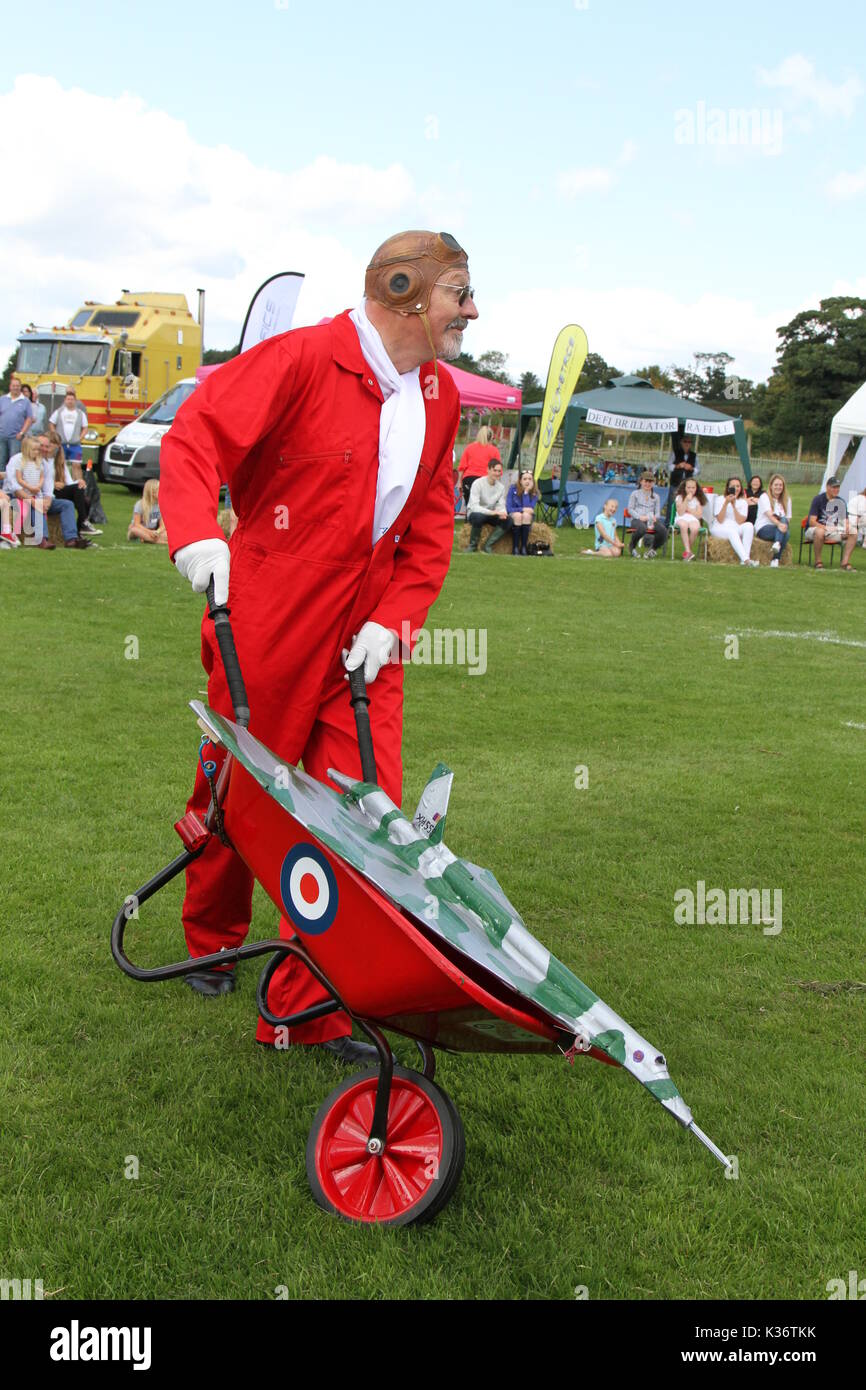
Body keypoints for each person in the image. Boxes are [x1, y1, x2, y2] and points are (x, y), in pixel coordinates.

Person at [159, 228, 476, 1064]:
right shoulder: (301, 360)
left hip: (368, 632)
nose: (471, 310)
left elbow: (432, 531)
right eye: (459, 293)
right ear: (405, 290)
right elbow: (193, 441)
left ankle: (309, 1006)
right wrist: (196, 535)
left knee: (362, 815)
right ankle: (211, 934)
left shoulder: (442, 398)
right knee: (242, 789)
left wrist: (394, 619)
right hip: (270, 612)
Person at [39, 432, 101, 537]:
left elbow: (69, 481)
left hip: (59, 490)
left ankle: (80, 527)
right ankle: (83, 524)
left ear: (57, 446)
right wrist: (54, 484)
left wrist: (79, 482)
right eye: (45, 445)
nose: (47, 447)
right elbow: (42, 480)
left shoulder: (59, 461)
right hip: (48, 492)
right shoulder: (42, 460)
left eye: (50, 444)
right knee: (79, 493)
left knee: (85, 499)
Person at [806, 476, 857, 570]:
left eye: (838, 487)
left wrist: (846, 528)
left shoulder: (841, 502)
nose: (836, 489)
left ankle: (845, 563)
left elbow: (845, 521)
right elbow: (812, 521)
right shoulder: (818, 499)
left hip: (833, 530)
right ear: (827, 487)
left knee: (853, 531)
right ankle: (818, 562)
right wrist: (825, 528)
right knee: (820, 532)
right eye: (834, 487)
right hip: (815, 529)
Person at [710, 476, 758, 565]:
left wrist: (733, 505)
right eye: (733, 486)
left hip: (735, 526)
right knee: (732, 532)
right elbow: (720, 520)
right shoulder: (720, 499)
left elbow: (740, 521)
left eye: (738, 486)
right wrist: (726, 503)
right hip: (720, 527)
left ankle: (744, 559)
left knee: (749, 525)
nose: (736, 488)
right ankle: (746, 560)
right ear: (728, 488)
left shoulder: (743, 502)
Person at [467, 459, 511, 552]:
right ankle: (473, 545)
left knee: (509, 520)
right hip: (476, 513)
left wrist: (503, 513)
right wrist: (492, 512)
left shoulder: (501, 487)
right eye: (495, 470)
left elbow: (501, 505)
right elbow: (474, 506)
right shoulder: (477, 483)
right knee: (478, 517)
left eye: (499, 471)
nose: (497, 473)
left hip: (491, 514)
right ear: (488, 470)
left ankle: (488, 545)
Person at [457, 424, 500, 511]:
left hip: (469, 479)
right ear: (491, 437)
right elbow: (497, 470)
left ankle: (469, 521)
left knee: (470, 505)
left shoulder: (469, 448)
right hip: (485, 480)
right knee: (484, 506)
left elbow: (462, 467)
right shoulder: (494, 450)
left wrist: (460, 483)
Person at [626, 470, 667, 557]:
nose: (647, 484)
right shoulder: (635, 494)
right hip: (637, 520)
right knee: (642, 528)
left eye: (650, 481)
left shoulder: (656, 496)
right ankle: (632, 546)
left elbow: (657, 512)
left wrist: (655, 518)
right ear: (641, 481)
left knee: (663, 530)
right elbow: (630, 509)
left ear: (653, 483)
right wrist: (639, 517)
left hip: (651, 520)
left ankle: (653, 549)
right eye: (645, 481)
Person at [755, 473, 792, 567]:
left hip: (779, 528)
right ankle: (776, 558)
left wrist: (782, 525)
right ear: (771, 486)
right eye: (776, 485)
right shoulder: (764, 497)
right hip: (764, 528)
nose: (778, 487)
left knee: (785, 529)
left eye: (780, 485)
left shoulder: (787, 499)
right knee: (785, 532)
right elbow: (769, 515)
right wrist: (780, 525)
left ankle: (776, 550)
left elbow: (788, 518)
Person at [0, 375, 35, 469]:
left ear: (20, 387)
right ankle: (1, 483)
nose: (15, 387)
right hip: (2, 435)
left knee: (14, 461)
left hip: (16, 437)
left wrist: (22, 432)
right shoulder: (2, 399)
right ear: (10, 386)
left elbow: (29, 418)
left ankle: (13, 482)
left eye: (17, 386)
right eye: (13, 385)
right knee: (1, 461)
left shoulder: (25, 401)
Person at [49, 388, 89, 464]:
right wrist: (55, 435)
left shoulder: (81, 413)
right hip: (61, 445)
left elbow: (85, 428)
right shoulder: (59, 412)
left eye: (72, 399)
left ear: (75, 401)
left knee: (77, 465)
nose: (70, 401)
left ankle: (76, 477)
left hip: (76, 446)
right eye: (68, 399)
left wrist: (80, 438)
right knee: (60, 465)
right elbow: (51, 423)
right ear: (65, 400)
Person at [506, 468, 539, 555]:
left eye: (530, 479)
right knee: (518, 516)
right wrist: (522, 509)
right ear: (520, 481)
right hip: (514, 515)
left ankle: (524, 547)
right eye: (524, 479)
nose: (527, 481)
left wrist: (526, 492)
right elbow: (509, 508)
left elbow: (530, 509)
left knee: (526, 515)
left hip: (527, 518)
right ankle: (515, 547)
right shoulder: (512, 489)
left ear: (533, 481)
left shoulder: (535, 492)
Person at [674, 477, 707, 561]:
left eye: (693, 488)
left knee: (695, 528)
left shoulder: (698, 499)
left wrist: (688, 509)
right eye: (688, 487)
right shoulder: (680, 497)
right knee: (683, 525)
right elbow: (680, 512)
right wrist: (686, 500)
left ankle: (687, 551)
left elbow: (699, 515)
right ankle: (688, 551)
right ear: (684, 488)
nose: (691, 490)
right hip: (681, 517)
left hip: (693, 518)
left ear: (696, 488)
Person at [128, 479, 168, 544]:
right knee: (134, 530)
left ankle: (147, 539)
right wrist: (149, 532)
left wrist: (157, 532)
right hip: (142, 530)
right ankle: (161, 542)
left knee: (169, 533)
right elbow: (137, 524)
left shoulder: (160, 505)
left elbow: (162, 525)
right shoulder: (139, 504)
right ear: (152, 493)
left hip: (154, 530)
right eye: (159, 490)